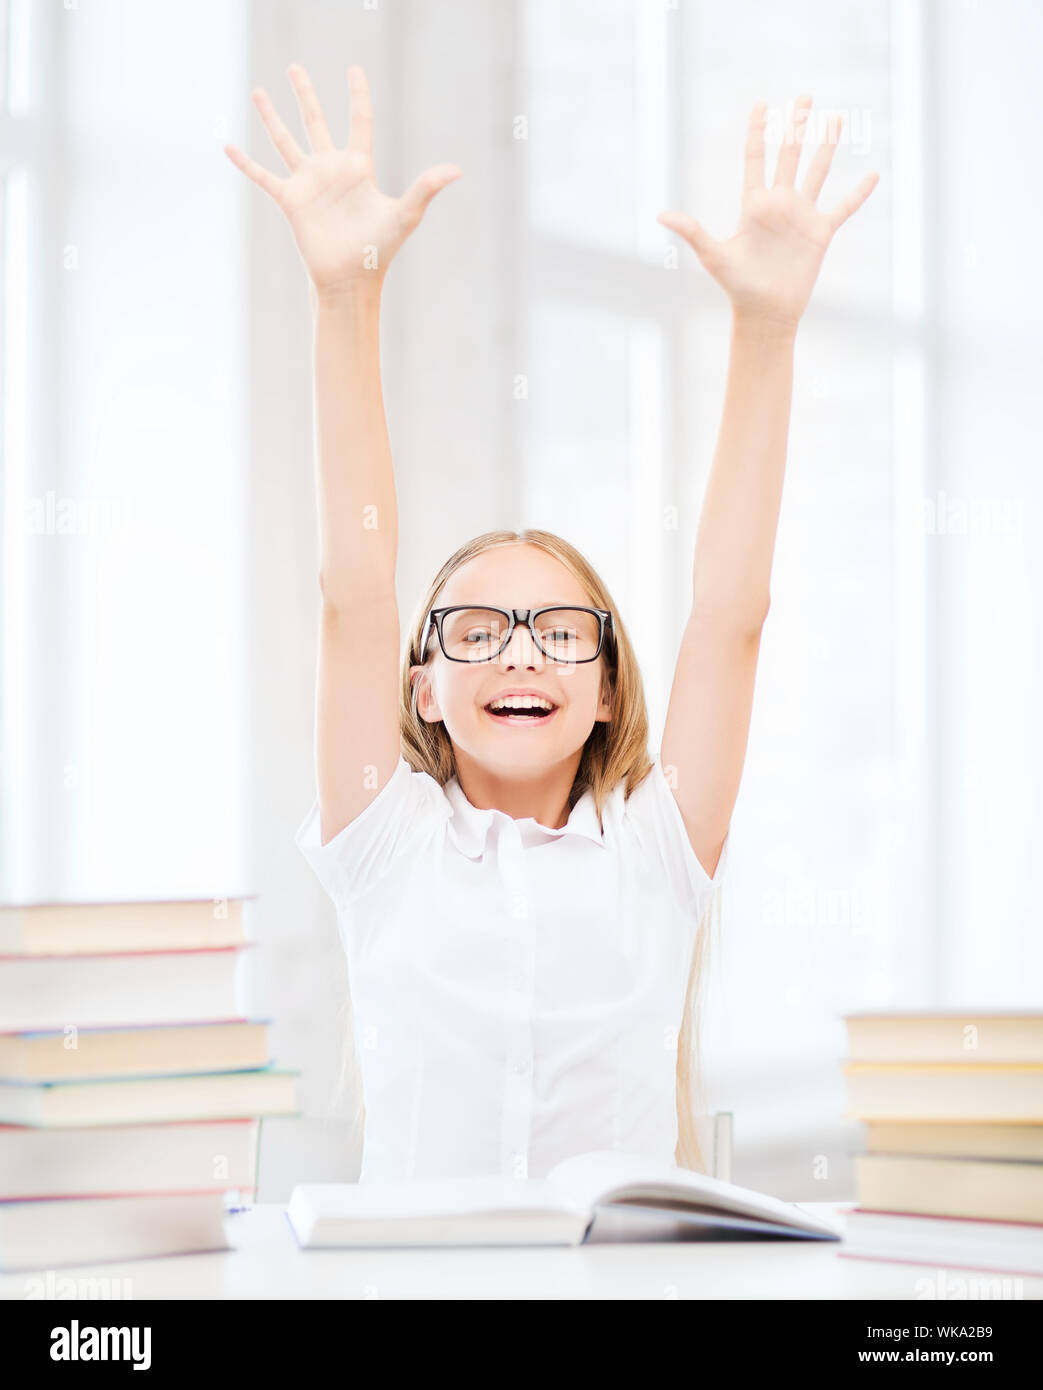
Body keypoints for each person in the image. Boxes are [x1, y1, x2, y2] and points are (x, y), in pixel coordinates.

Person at [225, 65, 878, 1184]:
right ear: (421, 683)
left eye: (559, 631)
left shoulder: (656, 856)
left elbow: (729, 617)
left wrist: (765, 330)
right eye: (474, 629)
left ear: (609, 687)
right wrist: (346, 299)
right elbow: (354, 591)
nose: (520, 649)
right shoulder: (386, 844)